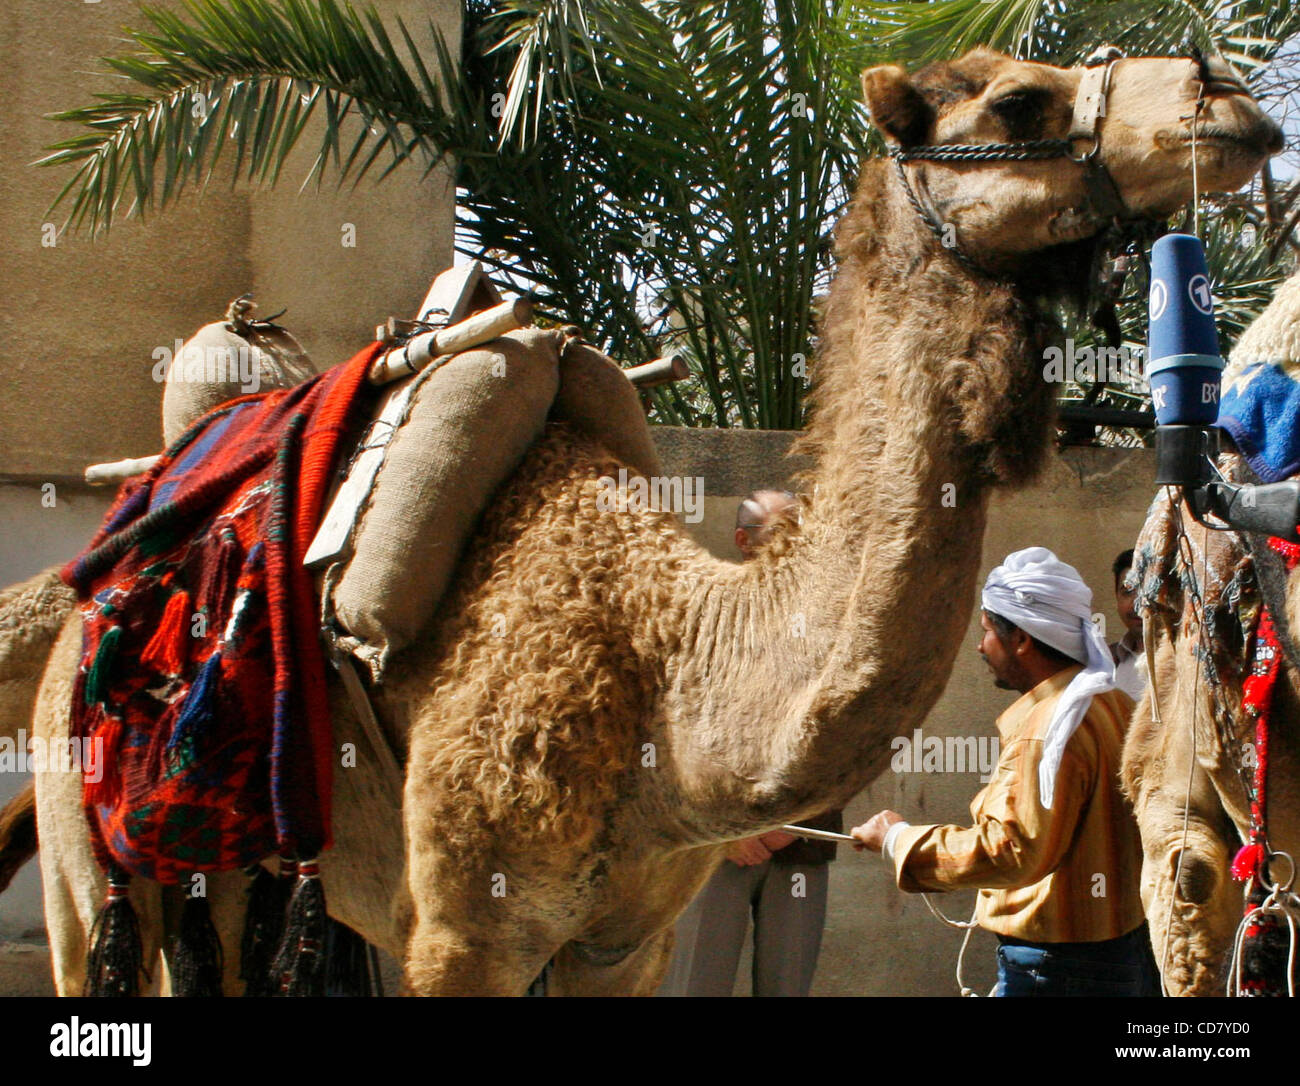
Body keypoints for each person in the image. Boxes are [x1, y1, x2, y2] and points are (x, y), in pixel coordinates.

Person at [851, 547, 1158, 996]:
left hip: (1056, 971)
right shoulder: (1110, 703)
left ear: (1022, 640)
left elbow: (1012, 851)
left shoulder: (1050, 727)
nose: (980, 646)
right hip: (1114, 956)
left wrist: (898, 840)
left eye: (987, 631)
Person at [657, 489, 842, 997]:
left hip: (801, 846)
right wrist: (726, 831)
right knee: (696, 985)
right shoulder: (702, 618)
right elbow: (673, 728)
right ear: (742, 541)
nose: (794, 547)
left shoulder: (832, 627)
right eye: (778, 535)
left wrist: (794, 823)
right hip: (715, 849)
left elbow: (847, 731)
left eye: (800, 535)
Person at [1109, 548, 1147, 701]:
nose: (1137, 604)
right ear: (1117, 597)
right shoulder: (1107, 660)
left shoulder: (1187, 662)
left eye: (1147, 592)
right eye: (1128, 591)